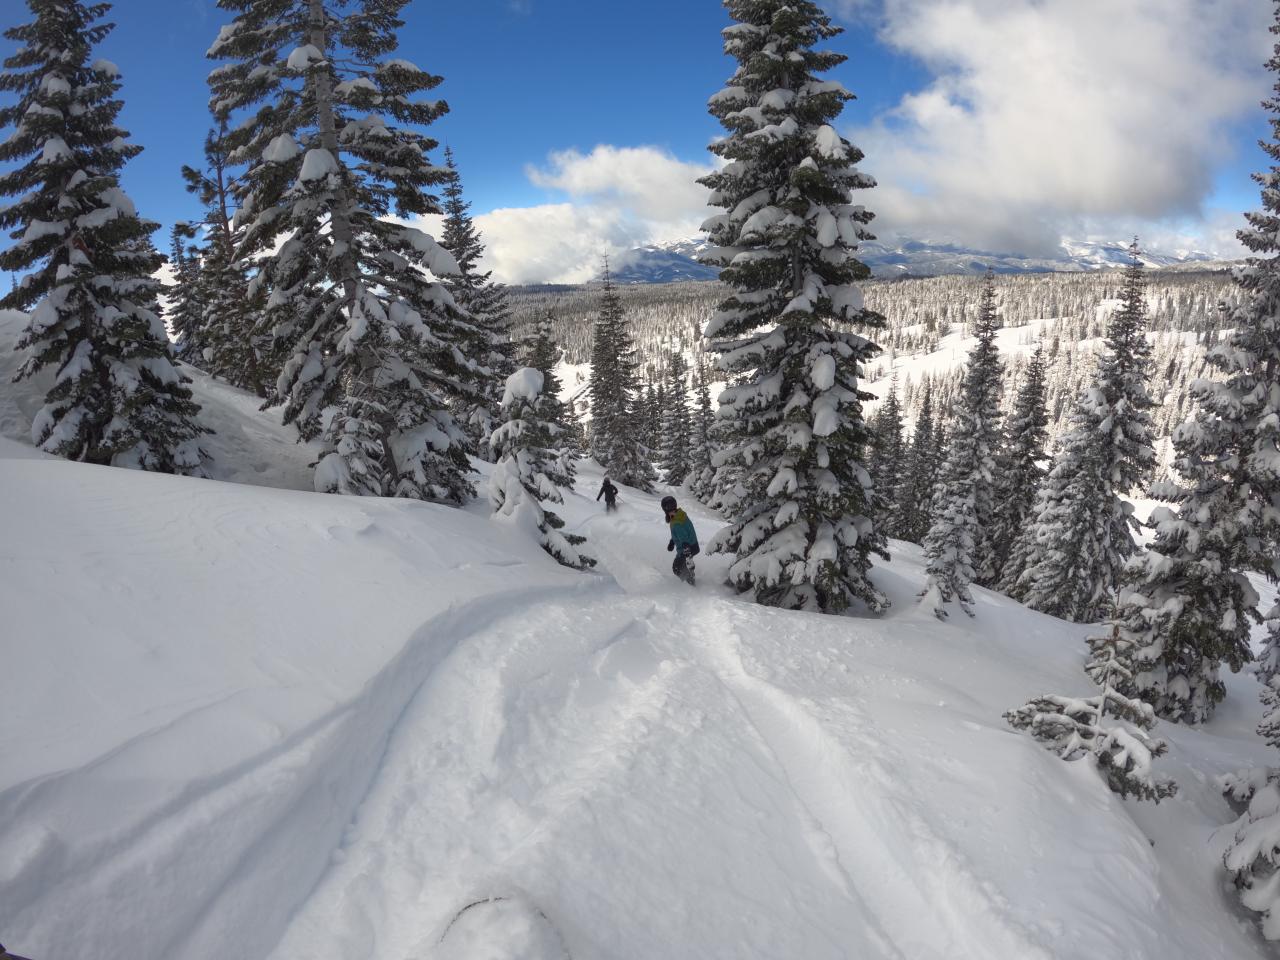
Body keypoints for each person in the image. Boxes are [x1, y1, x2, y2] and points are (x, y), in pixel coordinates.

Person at [662, 495, 699, 586]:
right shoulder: (679, 514)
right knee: (681, 565)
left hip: (687, 547)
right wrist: (672, 541)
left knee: (677, 567)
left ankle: (690, 584)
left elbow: (683, 536)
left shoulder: (676, 522)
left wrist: (686, 549)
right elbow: (680, 533)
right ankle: (690, 574)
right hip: (692, 545)